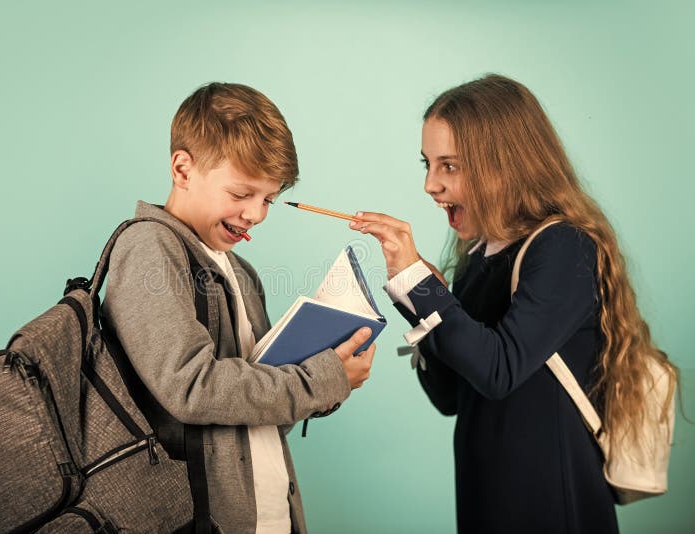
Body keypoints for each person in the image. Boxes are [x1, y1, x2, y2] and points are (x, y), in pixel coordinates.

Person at [349, 74, 677, 533]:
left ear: (505, 164)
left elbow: (497, 371)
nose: (429, 184)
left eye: (450, 166)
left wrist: (420, 286)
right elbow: (450, 397)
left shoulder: (563, 247)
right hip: (488, 498)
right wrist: (420, 290)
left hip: (549, 502)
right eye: (427, 163)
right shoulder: (479, 256)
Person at [101, 82, 375, 533]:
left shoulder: (240, 270)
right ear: (183, 169)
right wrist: (323, 379)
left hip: (268, 512)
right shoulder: (149, 246)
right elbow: (191, 388)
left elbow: (255, 408)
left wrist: (331, 378)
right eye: (241, 194)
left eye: (268, 198)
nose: (256, 214)